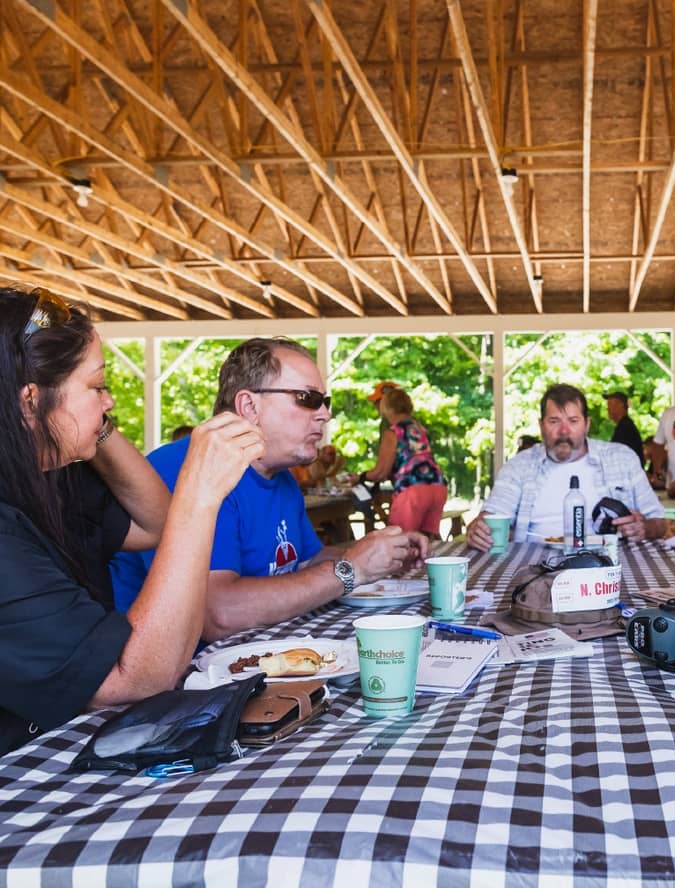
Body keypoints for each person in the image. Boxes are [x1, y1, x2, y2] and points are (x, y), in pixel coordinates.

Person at [0, 287, 263, 755]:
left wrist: (90, 425)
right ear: (30, 402)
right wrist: (200, 494)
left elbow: (155, 524)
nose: (109, 403)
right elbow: (134, 677)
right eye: (97, 386)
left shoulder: (53, 477)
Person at [110, 338, 428, 640]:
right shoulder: (186, 470)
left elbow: (305, 561)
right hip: (179, 672)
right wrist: (351, 569)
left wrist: (379, 552)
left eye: (325, 402)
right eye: (308, 399)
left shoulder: (281, 476)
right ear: (249, 406)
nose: (325, 414)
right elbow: (218, 613)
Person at [465, 383, 665, 550]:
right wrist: (479, 530)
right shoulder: (519, 466)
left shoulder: (622, 458)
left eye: (573, 421)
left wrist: (644, 528)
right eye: (554, 421)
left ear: (587, 424)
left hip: (612, 561)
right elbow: (493, 515)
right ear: (541, 425)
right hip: (533, 564)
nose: (563, 431)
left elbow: (659, 523)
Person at [360, 386, 447, 538]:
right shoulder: (420, 428)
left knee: (399, 540)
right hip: (437, 486)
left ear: (386, 407)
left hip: (412, 489)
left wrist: (360, 477)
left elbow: (380, 473)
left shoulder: (393, 432)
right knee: (425, 541)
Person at [604, 390, 644, 465]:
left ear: (621, 405)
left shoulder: (625, 428)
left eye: (610, 404)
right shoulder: (624, 425)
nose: (607, 408)